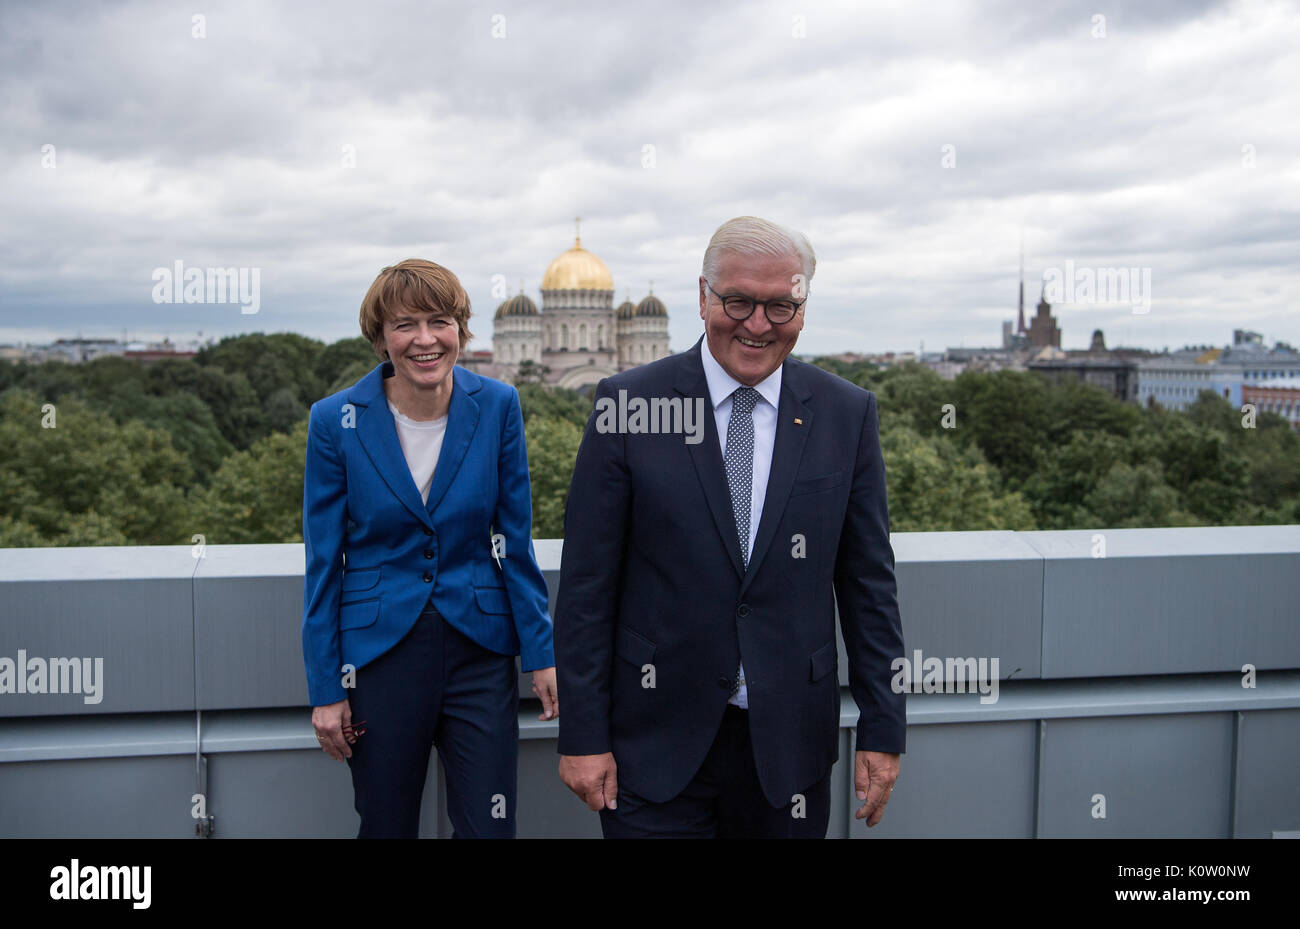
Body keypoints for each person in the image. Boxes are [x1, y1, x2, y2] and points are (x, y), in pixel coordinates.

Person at [555, 216, 904, 838]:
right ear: (702, 297)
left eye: (781, 306)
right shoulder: (629, 404)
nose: (758, 324)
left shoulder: (846, 413)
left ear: (803, 306)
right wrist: (583, 737)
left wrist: (883, 727)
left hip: (789, 749)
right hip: (653, 747)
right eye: (738, 301)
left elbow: (867, 585)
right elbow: (587, 588)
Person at [302, 258, 557, 838]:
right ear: (379, 338)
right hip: (379, 655)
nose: (424, 339)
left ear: (461, 330)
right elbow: (323, 565)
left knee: (490, 828)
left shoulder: (497, 406)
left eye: (439, 321)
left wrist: (540, 653)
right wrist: (325, 689)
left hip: (481, 651)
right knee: (387, 826)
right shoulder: (334, 421)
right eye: (404, 325)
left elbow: (514, 542)